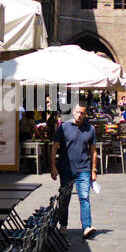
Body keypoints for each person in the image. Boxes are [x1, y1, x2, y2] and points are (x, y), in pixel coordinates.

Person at [50, 102, 98, 238]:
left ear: (85, 113)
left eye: (82, 113)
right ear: (73, 111)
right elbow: (54, 147)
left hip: (83, 169)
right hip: (66, 168)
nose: (79, 115)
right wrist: (53, 166)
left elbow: (93, 151)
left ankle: (87, 227)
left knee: (84, 197)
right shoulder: (63, 127)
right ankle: (63, 225)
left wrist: (93, 170)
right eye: (77, 112)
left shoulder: (90, 129)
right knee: (65, 198)